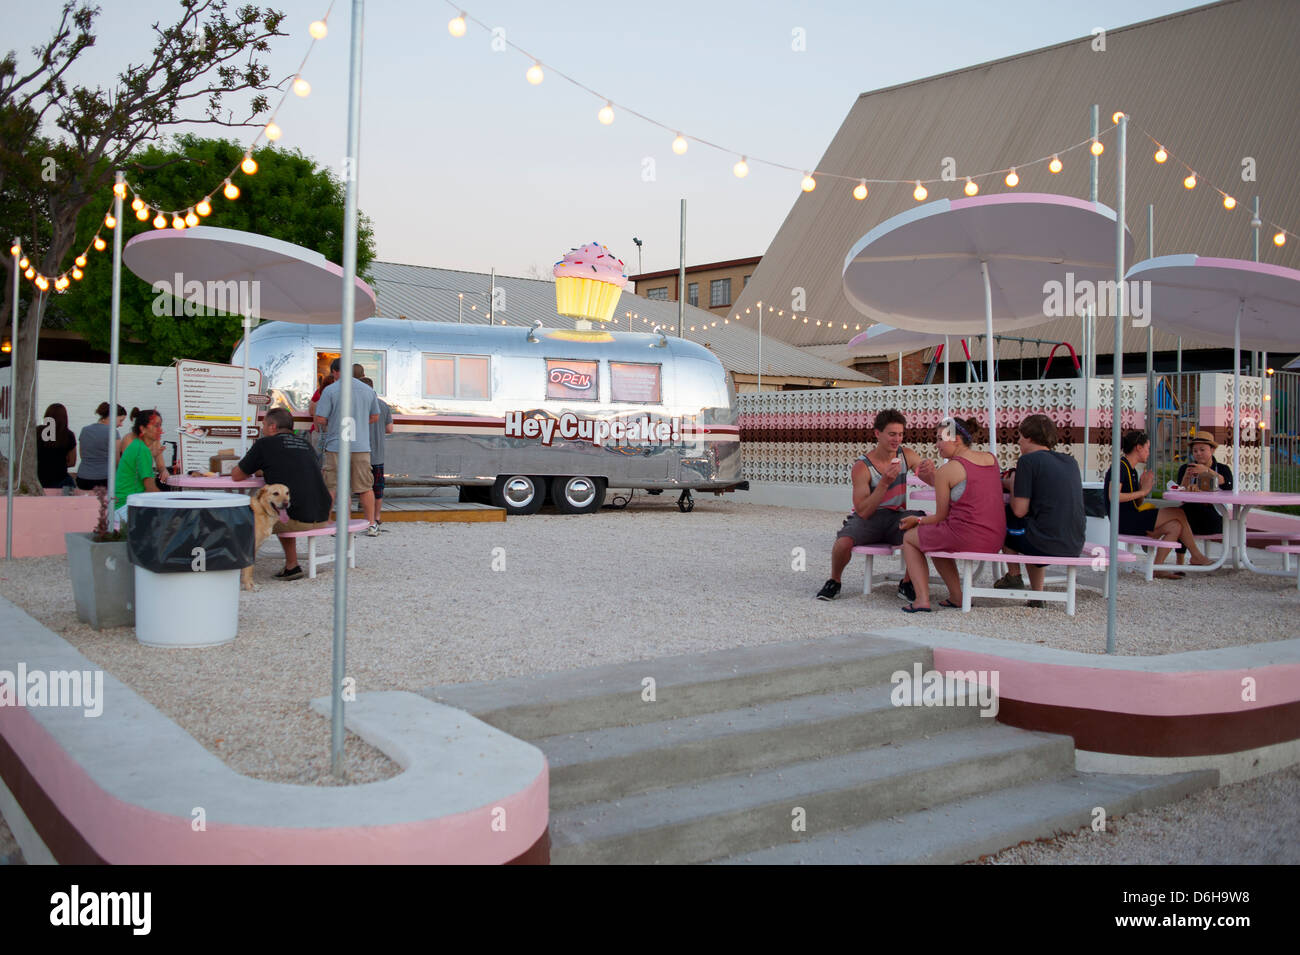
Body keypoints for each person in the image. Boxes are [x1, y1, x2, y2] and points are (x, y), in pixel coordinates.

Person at [815, 409, 935, 601]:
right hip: (870, 517)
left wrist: (930, 471)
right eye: (892, 434)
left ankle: (907, 583)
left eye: (900, 434)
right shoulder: (862, 466)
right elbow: (862, 510)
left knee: (923, 530)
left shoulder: (907, 455)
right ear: (877, 434)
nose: (897, 439)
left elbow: (934, 481)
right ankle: (834, 581)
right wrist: (884, 483)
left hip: (897, 516)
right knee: (843, 542)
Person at [898, 417, 1006, 612]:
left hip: (967, 536)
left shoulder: (947, 470)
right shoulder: (991, 459)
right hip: (995, 538)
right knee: (935, 536)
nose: (936, 444)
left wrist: (917, 520)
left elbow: (940, 516)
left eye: (940, 439)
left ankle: (921, 599)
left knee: (910, 539)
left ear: (956, 440)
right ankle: (957, 597)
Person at [993, 414, 1085, 606]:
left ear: (1028, 437)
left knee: (1005, 515)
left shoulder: (1028, 461)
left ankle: (1013, 575)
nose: (1018, 441)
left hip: (1043, 541)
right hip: (1074, 542)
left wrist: (1011, 484)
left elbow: (1019, 509)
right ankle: (1037, 596)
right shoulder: (1070, 462)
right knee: (1034, 523)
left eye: (1019, 436)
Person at [231, 406, 332, 581]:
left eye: (263, 425)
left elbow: (237, 475)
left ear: (272, 427)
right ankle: (291, 566)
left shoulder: (264, 444)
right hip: (322, 515)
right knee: (283, 506)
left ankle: (231, 565)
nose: (262, 428)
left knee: (260, 513)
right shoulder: (306, 444)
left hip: (297, 519)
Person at [1103, 430, 1211, 578]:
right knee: (1178, 512)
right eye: (1147, 448)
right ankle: (1196, 555)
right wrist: (1143, 491)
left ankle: (1158, 567)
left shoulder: (1131, 469)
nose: (1149, 452)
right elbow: (1113, 495)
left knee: (1175, 526)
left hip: (1132, 517)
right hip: (1124, 521)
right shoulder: (1120, 467)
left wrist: (1143, 488)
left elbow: (1136, 501)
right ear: (1138, 448)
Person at [314, 358, 381, 537]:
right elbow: (375, 416)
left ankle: (329, 522)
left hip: (337, 445)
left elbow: (320, 418)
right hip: (360, 445)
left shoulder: (330, 390)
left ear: (336, 372)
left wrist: (334, 423)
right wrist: (360, 422)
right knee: (365, 486)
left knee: (332, 485)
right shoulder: (368, 390)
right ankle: (371, 523)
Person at [1175, 430, 1232, 537]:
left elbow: (1228, 486)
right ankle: (1183, 554)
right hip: (1191, 513)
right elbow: (1180, 492)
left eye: (1202, 450)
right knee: (1181, 516)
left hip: (1214, 516)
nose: (1198, 454)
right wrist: (1187, 477)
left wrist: (1206, 470)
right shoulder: (1186, 468)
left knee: (1181, 517)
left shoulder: (1222, 469)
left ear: (1212, 450)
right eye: (1195, 451)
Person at [115, 409, 164, 515]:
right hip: (127, 507)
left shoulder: (137, 445)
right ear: (142, 429)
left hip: (123, 504)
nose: (160, 430)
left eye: (160, 425)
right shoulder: (142, 450)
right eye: (156, 426)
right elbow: (150, 488)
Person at [362, 375, 395, 531]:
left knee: (360, 487)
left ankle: (364, 518)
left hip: (360, 452)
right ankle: (376, 517)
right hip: (378, 454)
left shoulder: (358, 404)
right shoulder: (383, 405)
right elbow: (389, 429)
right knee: (378, 487)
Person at [76, 403, 126, 490]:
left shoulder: (85, 430)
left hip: (82, 478)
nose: (121, 425)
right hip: (105, 479)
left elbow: (82, 455)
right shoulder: (113, 432)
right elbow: (116, 461)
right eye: (120, 420)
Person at [36, 403, 77, 490]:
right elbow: (72, 462)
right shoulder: (68, 435)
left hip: (39, 477)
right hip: (60, 478)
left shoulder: (37, 432)